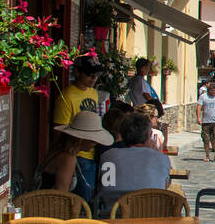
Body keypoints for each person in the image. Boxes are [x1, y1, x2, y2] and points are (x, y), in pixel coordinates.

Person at [52, 54, 105, 202]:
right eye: (89, 74)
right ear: (77, 72)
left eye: (96, 75)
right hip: (76, 154)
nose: (93, 78)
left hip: (91, 152)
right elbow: (59, 128)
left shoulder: (93, 93)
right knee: (79, 201)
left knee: (88, 198)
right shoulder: (67, 96)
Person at [97, 112, 171, 195]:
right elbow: (165, 186)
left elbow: (104, 188)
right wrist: (155, 153)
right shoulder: (161, 158)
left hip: (114, 207)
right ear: (148, 135)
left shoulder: (108, 156)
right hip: (149, 207)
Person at [41, 117, 110, 194]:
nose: (95, 143)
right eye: (92, 140)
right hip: (48, 205)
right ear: (81, 138)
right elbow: (61, 195)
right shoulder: (68, 158)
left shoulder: (60, 151)